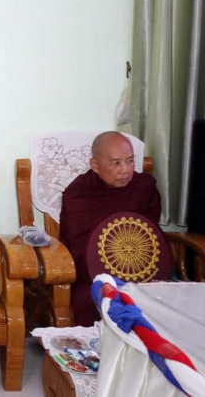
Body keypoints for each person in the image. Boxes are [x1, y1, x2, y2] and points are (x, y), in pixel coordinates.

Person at [60, 131, 160, 327]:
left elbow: (152, 237)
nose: (125, 170)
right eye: (116, 163)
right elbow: (76, 246)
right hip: (93, 275)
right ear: (95, 165)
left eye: (130, 161)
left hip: (140, 272)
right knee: (88, 300)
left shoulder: (144, 188)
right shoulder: (79, 193)